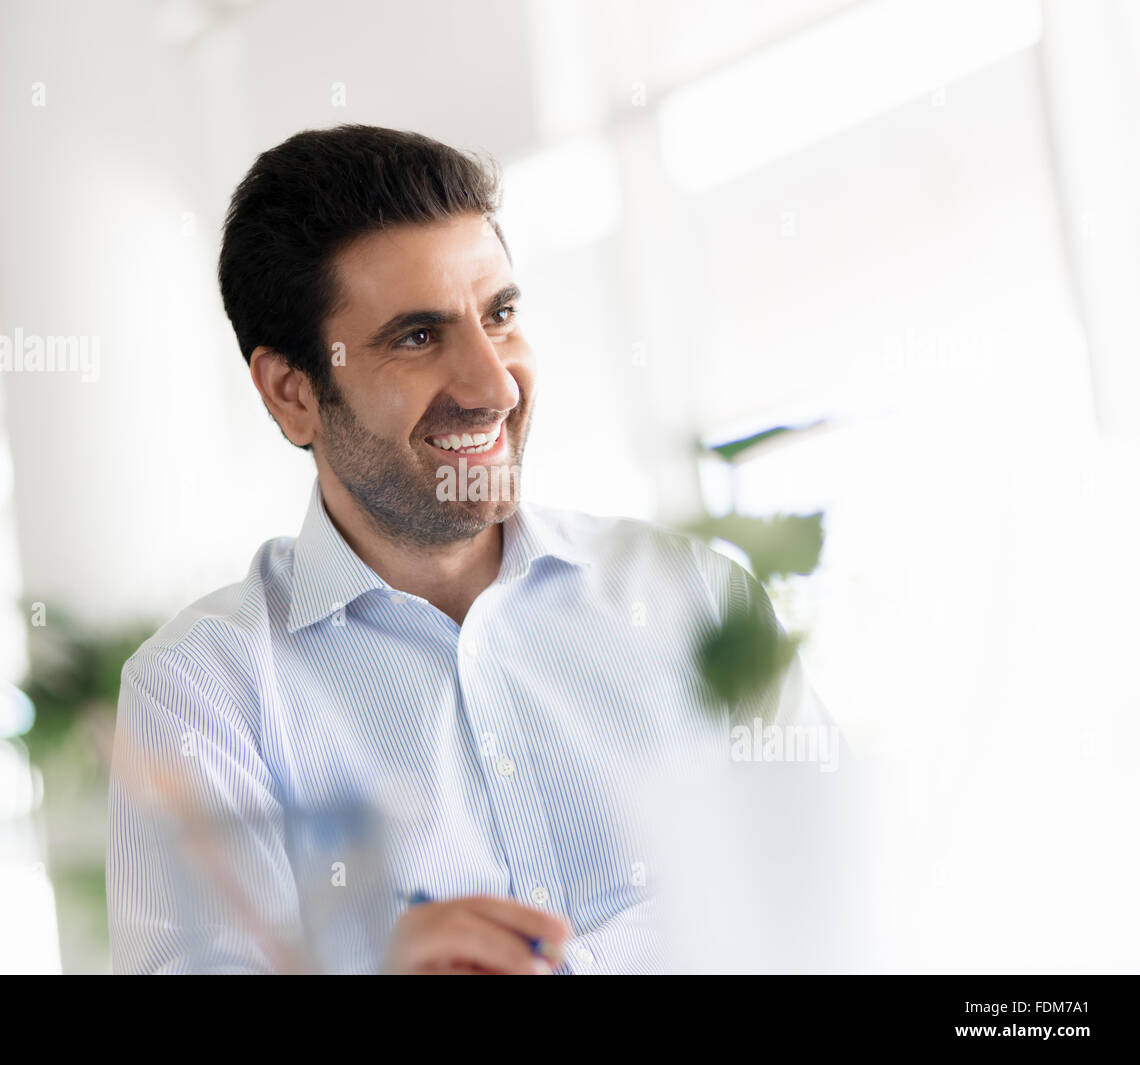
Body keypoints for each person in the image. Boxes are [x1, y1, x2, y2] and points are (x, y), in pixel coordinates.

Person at [107, 124, 836, 975]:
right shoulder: (207, 690)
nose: (492, 385)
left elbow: (830, 897)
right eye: (417, 337)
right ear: (293, 393)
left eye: (500, 315)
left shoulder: (697, 597)